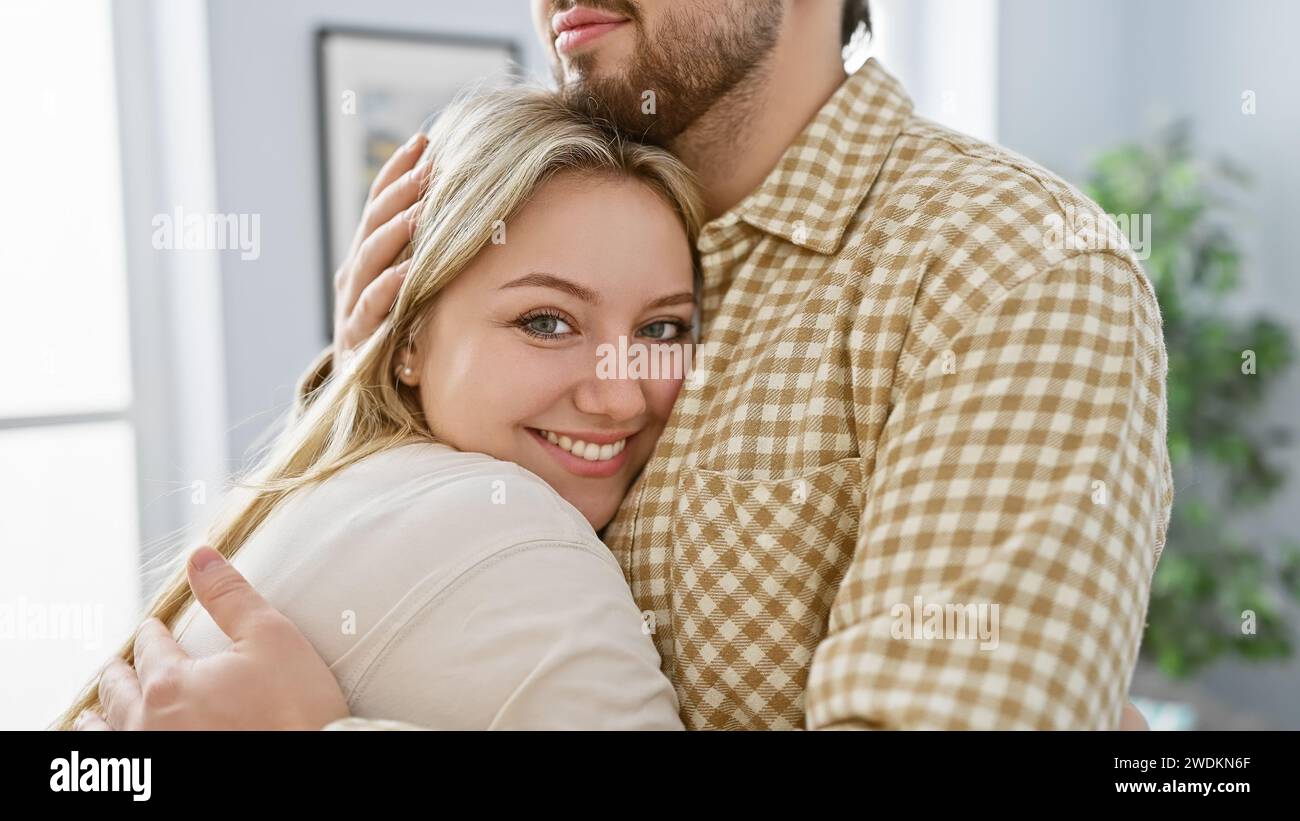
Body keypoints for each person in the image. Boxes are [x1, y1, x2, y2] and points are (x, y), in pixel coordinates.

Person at [79, 0, 1171, 731]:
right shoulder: (530, 231)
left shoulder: (1007, 267)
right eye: (547, 324)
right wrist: (367, 396)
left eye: (662, 331)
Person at [58, 86, 705, 730]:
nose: (621, 394)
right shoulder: (528, 543)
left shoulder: (350, 491)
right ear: (407, 339)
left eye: (662, 331)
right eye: (545, 321)